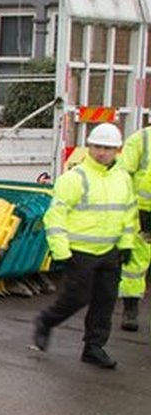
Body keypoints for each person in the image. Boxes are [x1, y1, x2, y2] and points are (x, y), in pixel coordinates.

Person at [33, 123, 137, 369]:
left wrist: (126, 244)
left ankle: (94, 347)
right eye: (97, 147)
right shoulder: (74, 178)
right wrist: (61, 250)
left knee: (105, 301)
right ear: (89, 146)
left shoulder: (122, 179)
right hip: (80, 251)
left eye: (107, 148)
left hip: (110, 251)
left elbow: (128, 213)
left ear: (117, 150)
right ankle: (46, 321)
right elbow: (55, 217)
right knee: (77, 297)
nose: (101, 153)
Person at [115, 124, 151, 332]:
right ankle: (130, 309)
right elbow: (123, 175)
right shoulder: (141, 140)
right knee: (136, 263)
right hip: (141, 212)